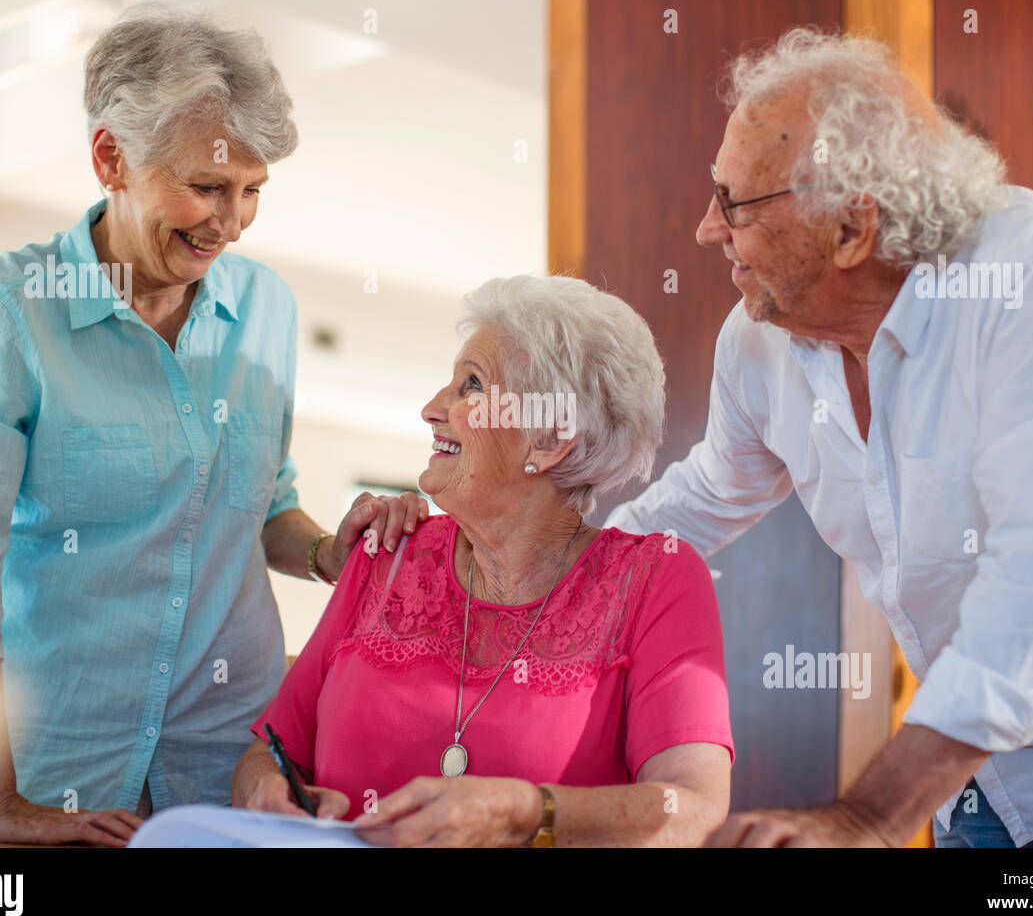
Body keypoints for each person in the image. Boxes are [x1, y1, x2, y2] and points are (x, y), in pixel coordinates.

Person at [607, 27, 1033, 847]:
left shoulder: (1027, 272)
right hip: (976, 779)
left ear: (852, 229)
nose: (705, 229)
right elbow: (699, 502)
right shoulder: (758, 342)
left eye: (736, 203)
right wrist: (492, 565)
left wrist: (868, 817)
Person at [0, 7, 424, 848]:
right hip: (57, 761)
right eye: (207, 186)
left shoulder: (265, 309)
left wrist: (332, 551)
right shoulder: (9, 311)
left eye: (254, 189)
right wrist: (2, 803)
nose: (232, 220)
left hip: (229, 759)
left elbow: (262, 504)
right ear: (111, 156)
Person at [233, 275, 734, 846]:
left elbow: (691, 808)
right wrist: (265, 792)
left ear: (548, 439)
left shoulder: (656, 578)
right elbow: (269, 752)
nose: (431, 409)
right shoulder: (389, 552)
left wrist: (525, 811)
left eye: (471, 385)